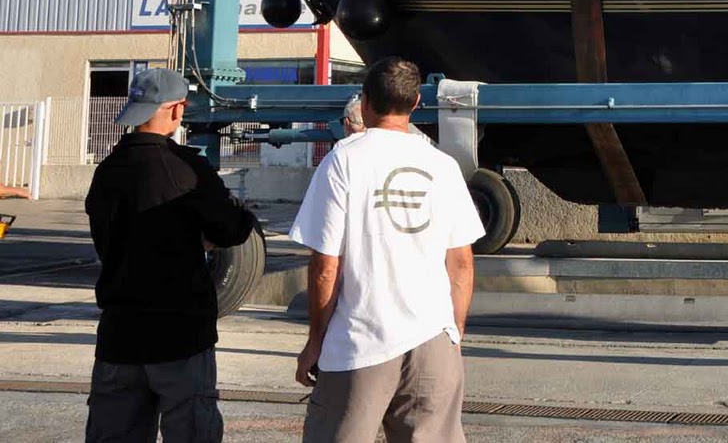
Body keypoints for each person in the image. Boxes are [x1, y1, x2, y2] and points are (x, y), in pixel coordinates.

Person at [291, 57, 485, 442]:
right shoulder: (442, 165)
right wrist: (453, 332)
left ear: (364, 102)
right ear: (415, 104)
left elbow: (326, 266)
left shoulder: (343, 161)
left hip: (360, 343)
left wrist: (316, 340)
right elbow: (461, 263)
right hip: (433, 341)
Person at [84, 68, 259, 442]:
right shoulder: (187, 169)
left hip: (118, 336)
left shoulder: (106, 172)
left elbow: (108, 242)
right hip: (180, 336)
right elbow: (232, 229)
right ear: (177, 109)